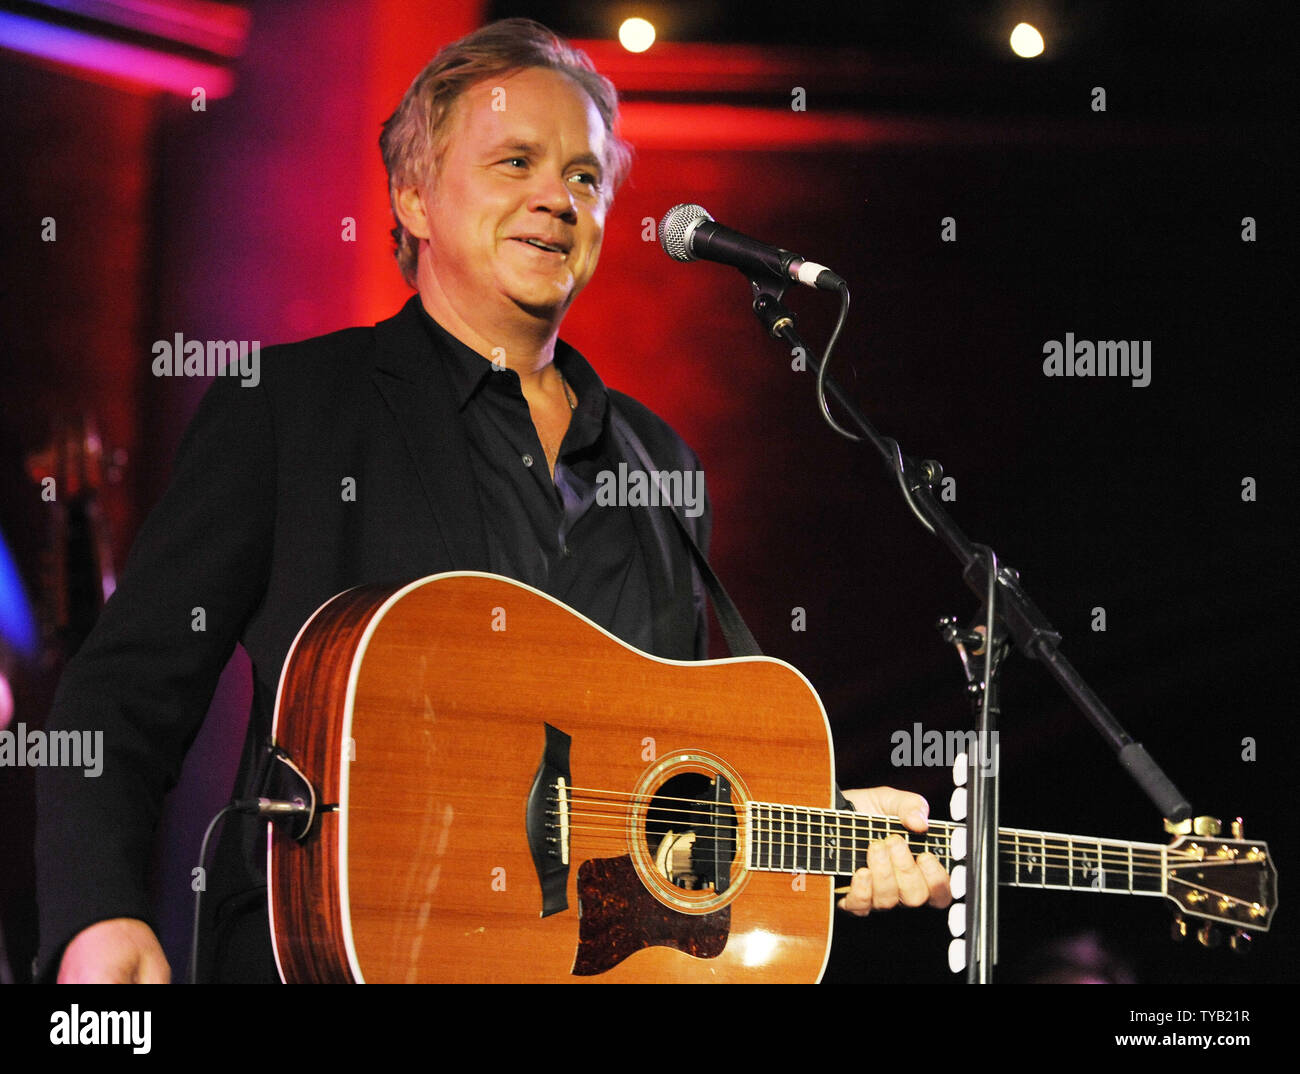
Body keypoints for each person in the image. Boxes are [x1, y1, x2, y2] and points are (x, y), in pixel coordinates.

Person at [37, 18, 949, 984]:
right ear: (414, 196)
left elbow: (651, 785)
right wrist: (99, 914)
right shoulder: (291, 412)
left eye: (586, 179)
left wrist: (828, 837)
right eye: (517, 161)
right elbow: (120, 695)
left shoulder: (658, 459)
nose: (558, 199)